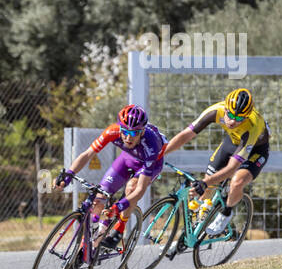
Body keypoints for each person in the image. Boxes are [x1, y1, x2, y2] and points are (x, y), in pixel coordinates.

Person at [54, 104, 167, 249]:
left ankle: (119, 230)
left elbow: (140, 190)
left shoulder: (152, 145)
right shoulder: (112, 131)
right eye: (125, 131)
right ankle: (94, 237)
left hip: (150, 163)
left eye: (134, 133)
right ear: (119, 127)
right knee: (100, 197)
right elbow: (87, 154)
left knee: (131, 188)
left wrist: (119, 206)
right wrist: (69, 174)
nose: (128, 137)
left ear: (142, 131)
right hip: (127, 158)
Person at [162, 88, 269, 235]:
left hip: (256, 150)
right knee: (206, 189)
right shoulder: (216, 110)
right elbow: (186, 134)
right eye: (230, 115)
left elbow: (232, 168)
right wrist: (160, 154)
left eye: (239, 119)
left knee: (236, 181)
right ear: (225, 108)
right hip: (232, 142)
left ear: (246, 116)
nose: (232, 121)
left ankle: (226, 213)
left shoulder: (253, 125)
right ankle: (191, 233)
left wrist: (206, 182)